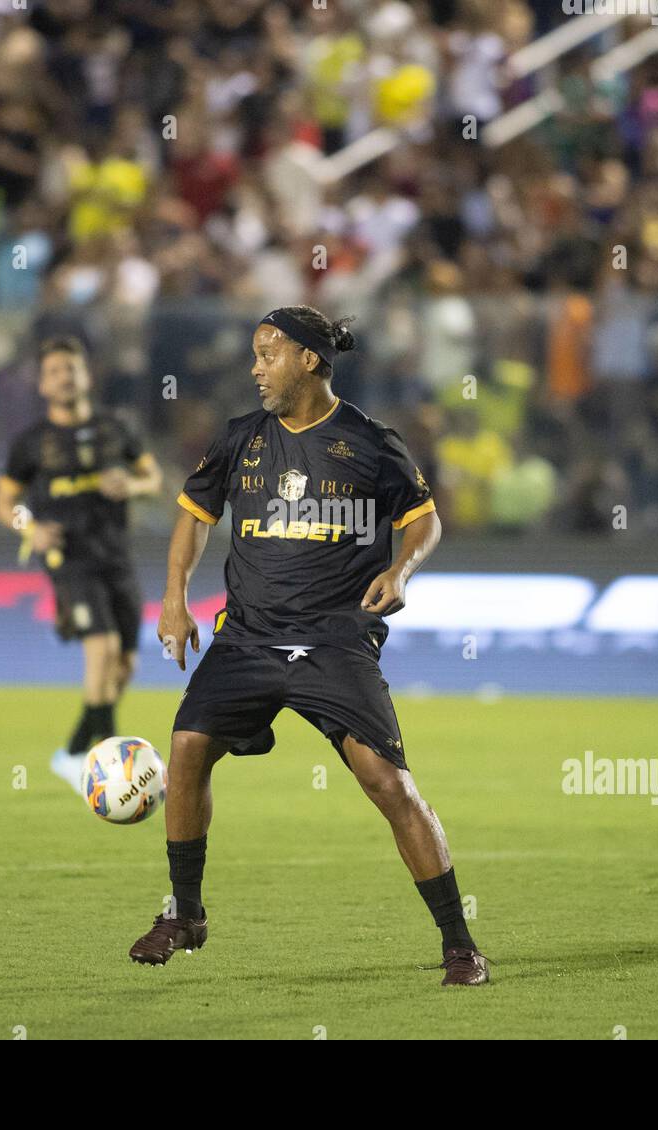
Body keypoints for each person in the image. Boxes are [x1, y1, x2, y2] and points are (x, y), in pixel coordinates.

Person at [130, 305, 488, 986]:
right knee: (186, 747)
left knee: (389, 783)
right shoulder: (242, 438)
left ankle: (460, 945)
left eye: (269, 354)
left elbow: (424, 520)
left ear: (311, 361)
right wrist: (175, 600)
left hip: (335, 643)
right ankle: (185, 913)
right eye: (256, 354)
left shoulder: (371, 442)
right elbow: (193, 515)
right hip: (248, 641)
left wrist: (399, 569)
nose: (256, 368)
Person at [0, 336, 162, 786]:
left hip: (116, 555)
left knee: (125, 666)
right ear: (43, 386)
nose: (64, 377)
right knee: (102, 648)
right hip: (68, 558)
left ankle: (71, 752)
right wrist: (29, 527)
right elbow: (4, 502)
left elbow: (154, 478)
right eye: (54, 372)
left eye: (71, 368)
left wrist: (132, 485)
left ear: (87, 375)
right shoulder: (32, 443)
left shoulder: (116, 429)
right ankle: (112, 769)